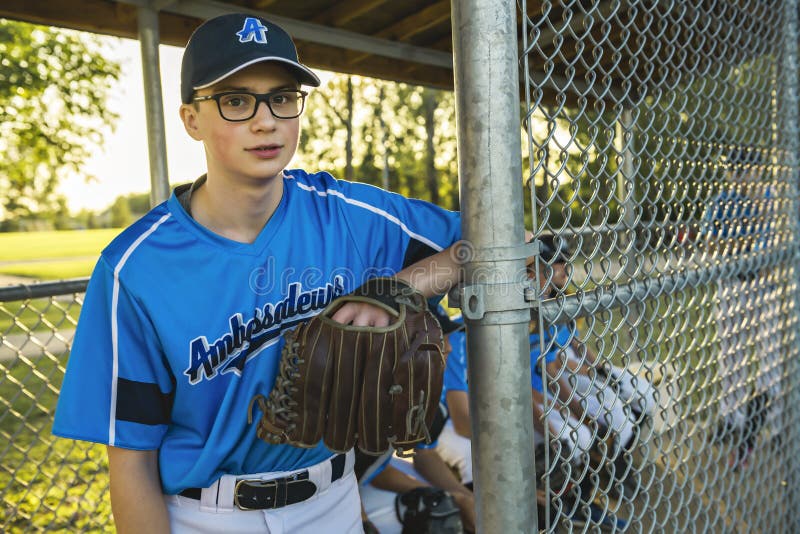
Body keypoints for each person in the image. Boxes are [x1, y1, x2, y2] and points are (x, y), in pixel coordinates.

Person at [52, 13, 466, 534]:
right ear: (190, 119)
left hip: (334, 501)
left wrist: (399, 289)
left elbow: (505, 248)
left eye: (283, 97)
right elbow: (131, 462)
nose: (265, 120)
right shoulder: (135, 267)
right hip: (205, 517)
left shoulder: (351, 215)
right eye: (236, 100)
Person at [357, 308, 476, 533]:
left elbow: (373, 469)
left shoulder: (420, 392)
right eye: (441, 340)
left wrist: (459, 497)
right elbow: (345, 478)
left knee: (442, 504)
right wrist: (364, 524)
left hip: (360, 482)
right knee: (436, 513)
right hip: (321, 498)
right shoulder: (371, 395)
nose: (449, 347)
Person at [704, 147, 779, 470]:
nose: (740, 177)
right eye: (735, 171)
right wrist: (746, 245)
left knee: (770, 357)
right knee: (731, 355)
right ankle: (731, 419)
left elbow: (778, 240)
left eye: (746, 170)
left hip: (765, 286)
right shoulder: (722, 200)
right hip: (733, 284)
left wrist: (740, 243)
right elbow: (710, 243)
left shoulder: (772, 198)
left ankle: (773, 425)